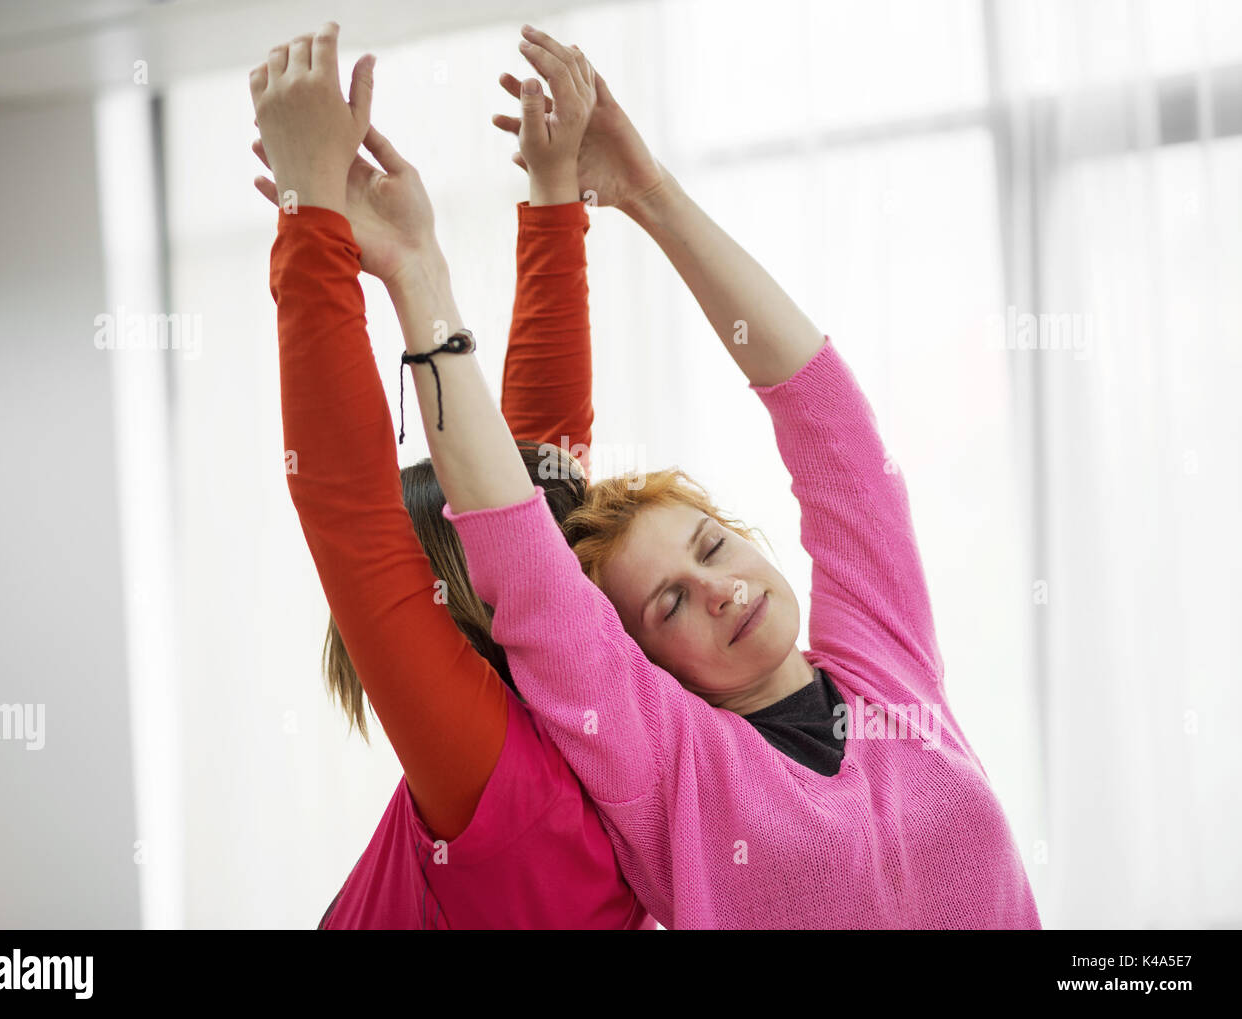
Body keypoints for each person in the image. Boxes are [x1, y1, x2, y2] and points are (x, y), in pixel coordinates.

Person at [258, 19, 1041, 930]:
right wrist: (344, 236)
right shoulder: (622, 769)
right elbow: (474, 543)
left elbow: (818, 432)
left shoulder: (880, 669)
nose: (718, 589)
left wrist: (618, 196)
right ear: (636, 660)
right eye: (666, 606)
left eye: (711, 544)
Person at [249, 22, 653, 929]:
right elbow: (544, 477)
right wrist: (552, 197)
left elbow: (511, 484)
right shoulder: (566, 765)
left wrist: (314, 213)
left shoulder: (517, 780)